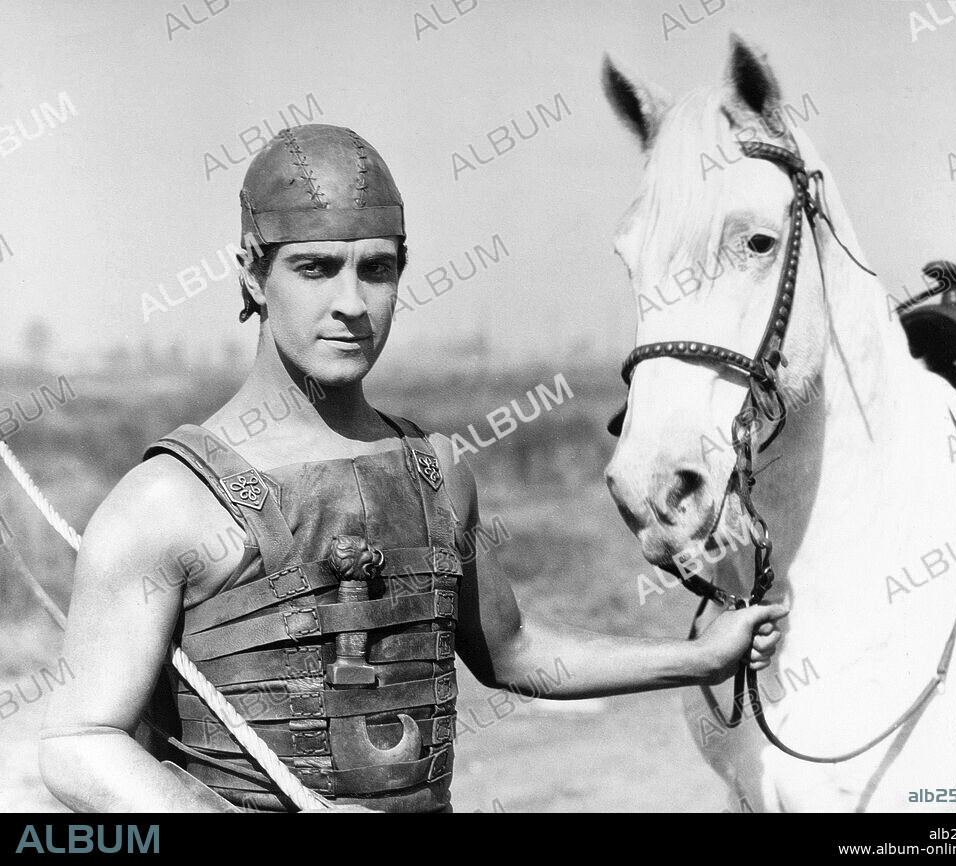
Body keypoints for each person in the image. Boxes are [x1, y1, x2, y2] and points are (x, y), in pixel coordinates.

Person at [39, 124, 786, 813]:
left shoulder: (436, 470)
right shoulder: (167, 501)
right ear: (251, 275)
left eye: (378, 269)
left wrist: (700, 658)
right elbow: (79, 745)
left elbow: (515, 652)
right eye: (315, 268)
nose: (352, 304)